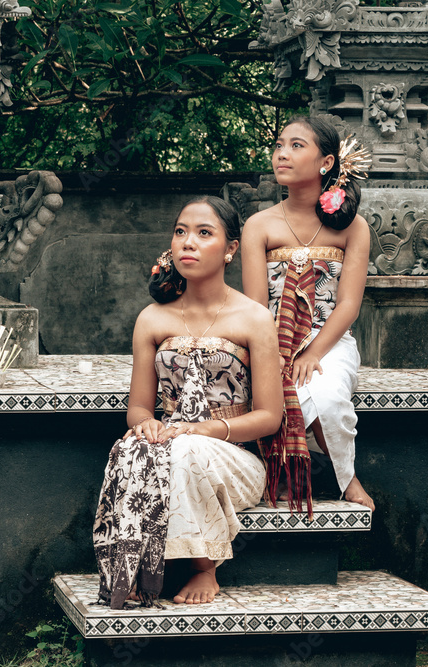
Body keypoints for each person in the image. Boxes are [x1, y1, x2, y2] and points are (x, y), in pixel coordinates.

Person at [93, 196, 284, 609]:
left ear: (231, 249)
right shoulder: (153, 318)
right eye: (180, 232)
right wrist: (145, 424)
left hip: (236, 460)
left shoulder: (253, 318)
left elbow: (271, 416)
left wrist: (206, 429)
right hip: (171, 444)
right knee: (131, 448)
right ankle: (132, 571)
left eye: (203, 233)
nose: (187, 243)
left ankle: (205, 566)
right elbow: (139, 406)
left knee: (187, 447)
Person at [241, 115, 376, 511]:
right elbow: (254, 305)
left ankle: (346, 477)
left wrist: (314, 352)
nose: (282, 154)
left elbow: (349, 305)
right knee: (283, 393)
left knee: (329, 396)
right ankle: (282, 473)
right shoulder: (258, 225)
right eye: (279, 144)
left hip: (329, 340)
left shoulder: (354, 227)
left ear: (327, 163)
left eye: (297, 146)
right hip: (270, 337)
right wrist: (275, 354)